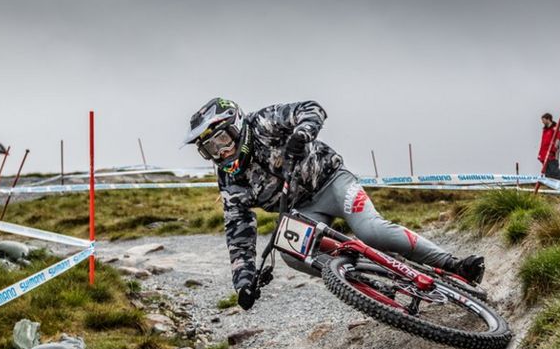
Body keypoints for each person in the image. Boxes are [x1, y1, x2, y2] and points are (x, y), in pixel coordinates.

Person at [183, 98, 486, 310]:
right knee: (291, 253)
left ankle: (453, 264)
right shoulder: (230, 179)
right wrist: (244, 280)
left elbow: (311, 108)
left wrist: (303, 132)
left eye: (222, 141)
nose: (220, 153)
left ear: (236, 126)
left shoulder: (263, 122)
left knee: (371, 231)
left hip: (332, 182)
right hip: (300, 210)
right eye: (209, 150)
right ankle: (366, 282)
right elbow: (238, 232)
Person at [537, 113, 560, 180]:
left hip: (552, 154)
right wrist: (540, 154)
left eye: (543, 120)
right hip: (544, 154)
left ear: (548, 119)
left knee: (554, 171)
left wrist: (554, 149)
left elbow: (558, 139)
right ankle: (551, 186)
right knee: (547, 173)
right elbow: (543, 142)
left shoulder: (555, 128)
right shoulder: (545, 130)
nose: (542, 122)